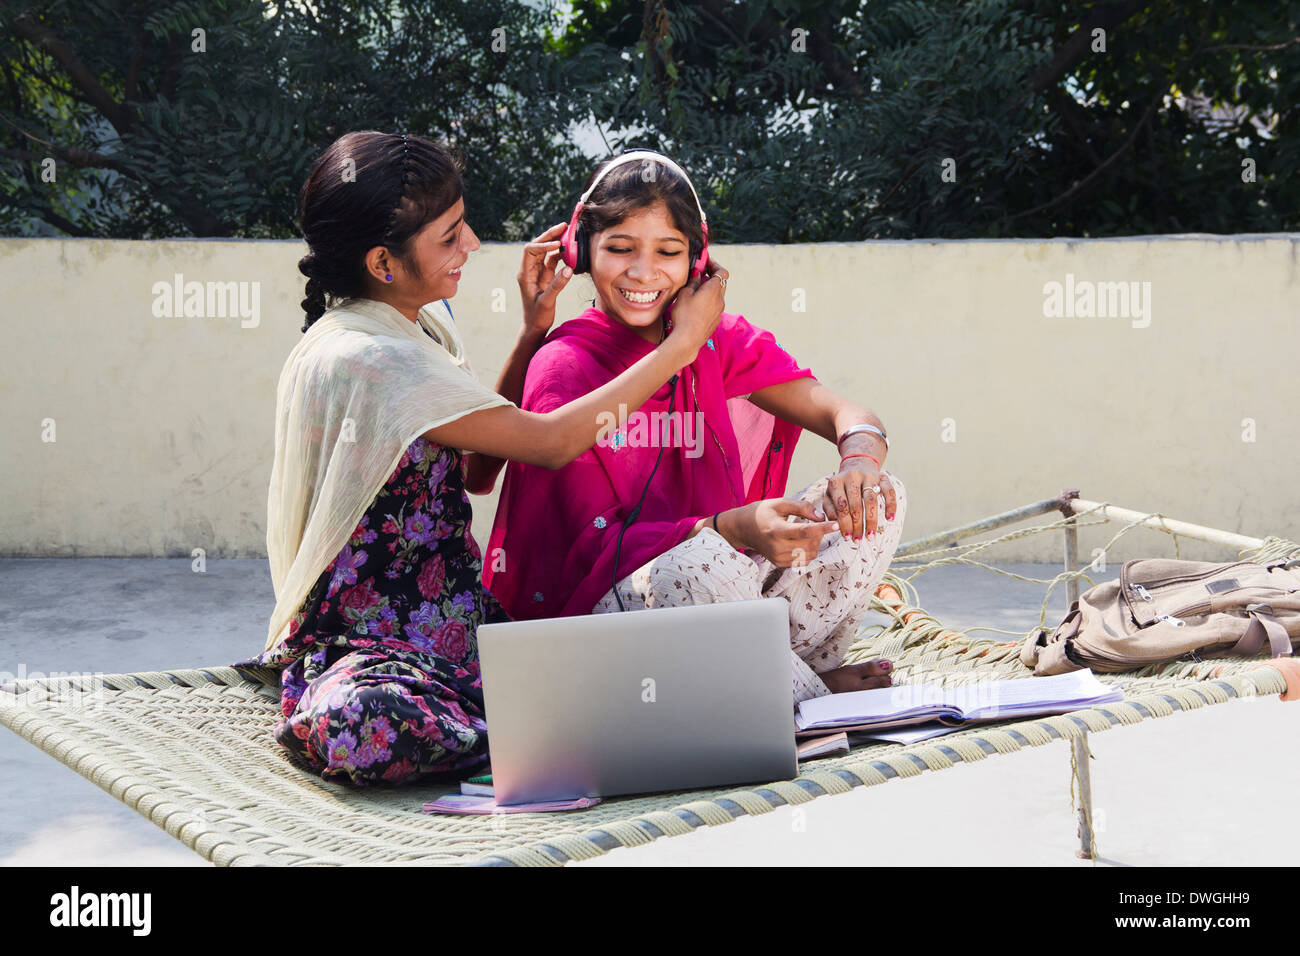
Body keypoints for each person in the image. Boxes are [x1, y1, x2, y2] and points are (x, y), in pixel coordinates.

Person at [232, 132, 726, 786]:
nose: (473, 246)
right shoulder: (371, 357)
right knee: (360, 725)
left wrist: (530, 332)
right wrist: (683, 345)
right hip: (369, 645)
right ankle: (560, 731)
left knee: (644, 661)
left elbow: (475, 471)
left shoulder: (413, 325)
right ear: (384, 261)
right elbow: (550, 444)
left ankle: (562, 722)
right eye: (450, 236)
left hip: (459, 627)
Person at [485, 150, 906, 705]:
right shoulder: (564, 364)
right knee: (703, 568)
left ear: (697, 261)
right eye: (619, 249)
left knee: (881, 501)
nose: (642, 272)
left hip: (722, 582)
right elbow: (590, 549)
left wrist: (859, 461)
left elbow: (844, 413)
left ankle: (769, 674)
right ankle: (800, 691)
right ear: (582, 251)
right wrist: (729, 528)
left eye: (668, 251)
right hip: (607, 608)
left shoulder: (719, 339)